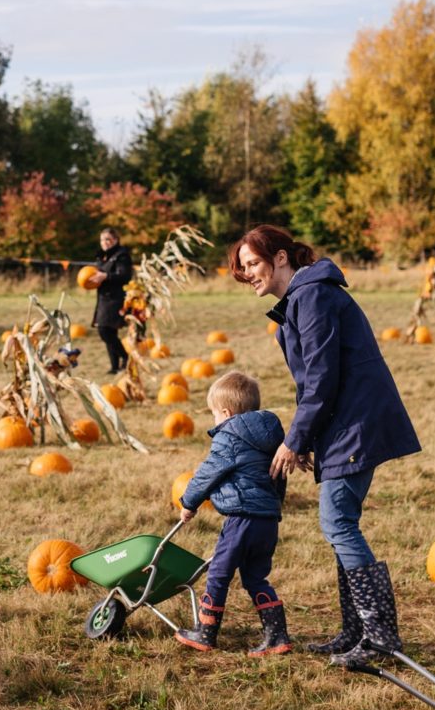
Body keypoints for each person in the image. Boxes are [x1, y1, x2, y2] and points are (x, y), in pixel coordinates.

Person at [230, 224, 421, 667]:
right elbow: (314, 382)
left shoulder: (312, 296)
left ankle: (381, 639)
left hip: (356, 423)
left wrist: (294, 442)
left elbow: (320, 380)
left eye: (253, 263)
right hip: (344, 424)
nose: (249, 274)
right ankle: (355, 631)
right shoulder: (302, 298)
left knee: (337, 522)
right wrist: (311, 438)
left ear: (281, 257)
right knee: (341, 523)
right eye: (243, 269)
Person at [174, 370, 292, 656]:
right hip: (267, 521)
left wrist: (188, 502)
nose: (214, 421)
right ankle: (277, 637)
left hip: (241, 519)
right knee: (255, 578)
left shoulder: (229, 436)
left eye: (214, 414)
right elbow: (279, 477)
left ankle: (205, 632)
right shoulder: (271, 436)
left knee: (218, 573)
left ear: (226, 413)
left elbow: (206, 474)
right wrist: (274, 504)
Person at [86, 227, 134, 374]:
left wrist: (106, 276)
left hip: (116, 298)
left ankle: (126, 358)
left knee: (104, 331)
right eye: (102, 239)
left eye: (108, 239)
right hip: (103, 298)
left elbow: (125, 275)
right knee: (109, 332)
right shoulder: (103, 256)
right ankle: (115, 366)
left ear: (115, 240)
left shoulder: (122, 255)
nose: (104, 242)